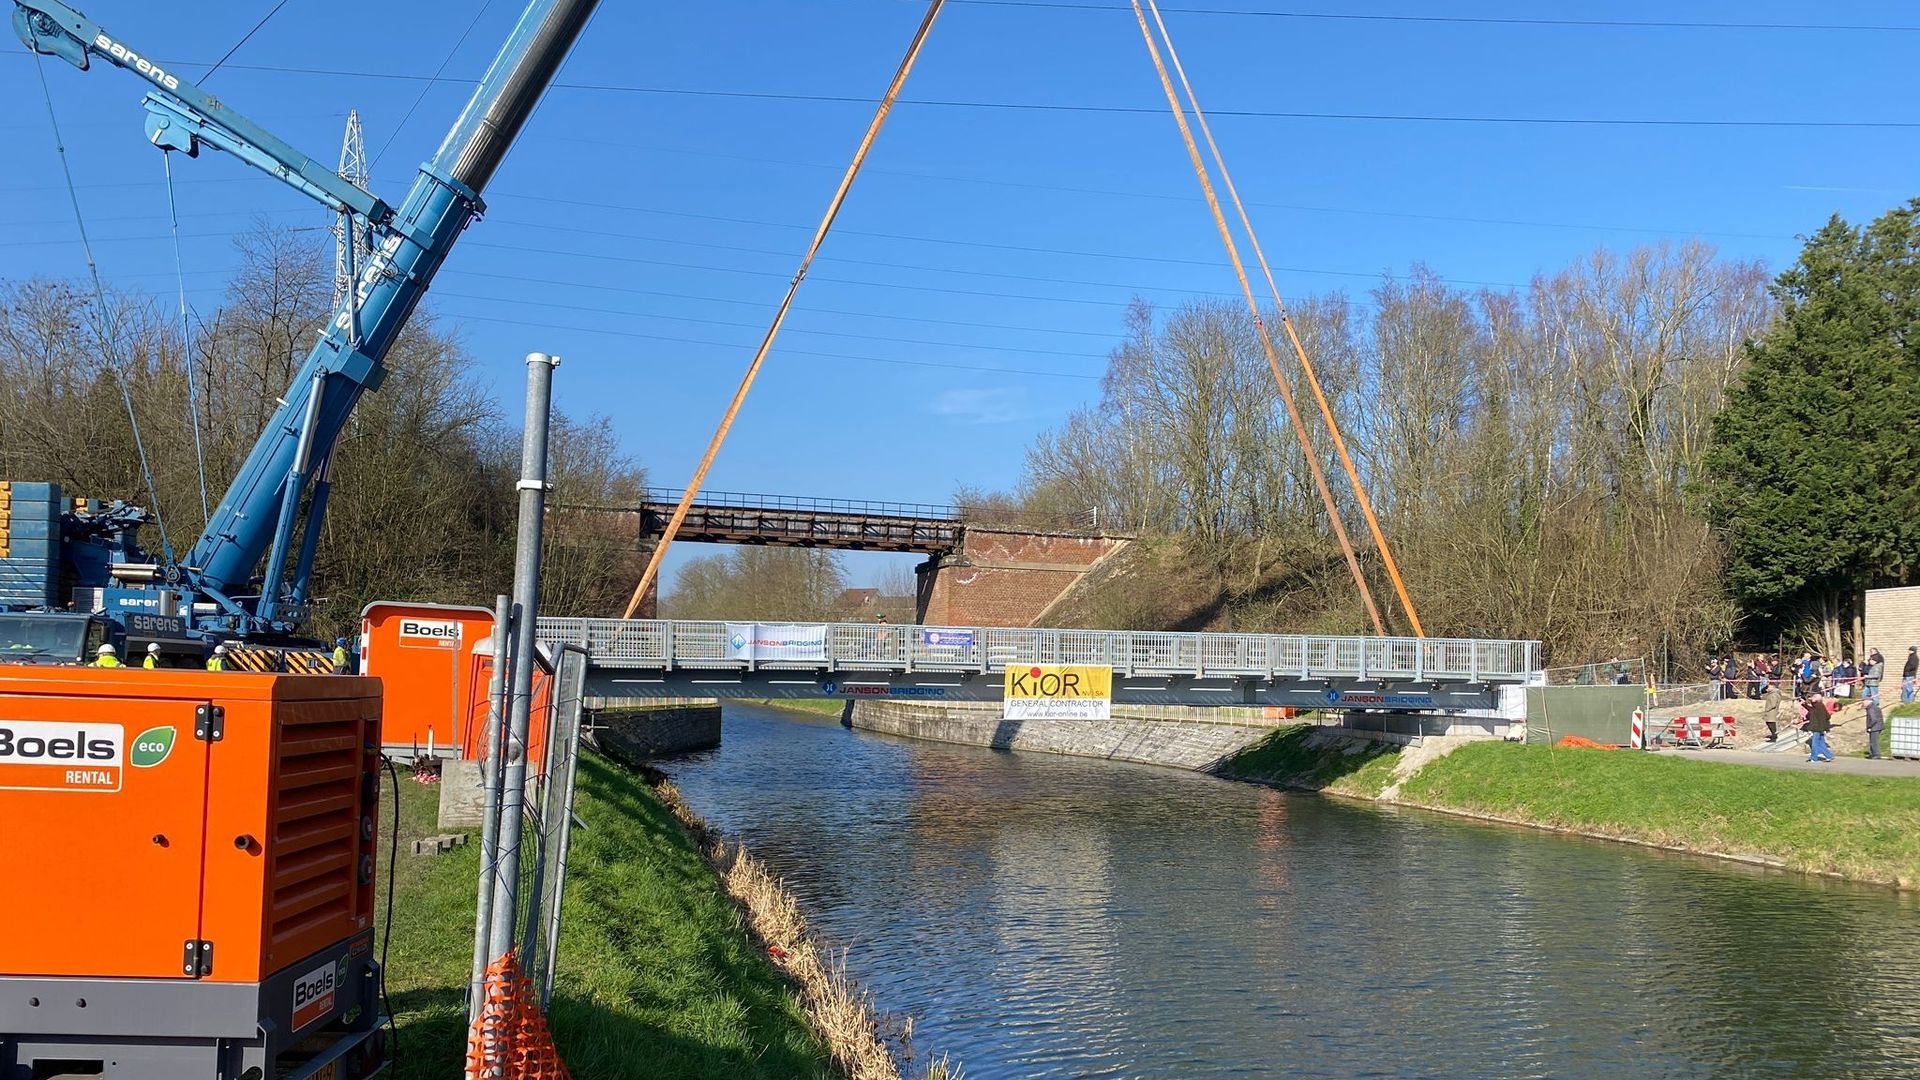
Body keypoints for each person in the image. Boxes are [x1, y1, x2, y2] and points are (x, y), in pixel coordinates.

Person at [1803, 695, 1834, 763]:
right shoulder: (1820, 706)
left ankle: (1814, 758)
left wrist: (1807, 701)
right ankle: (1829, 756)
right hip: (1821, 728)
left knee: (1815, 743)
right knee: (1821, 743)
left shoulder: (1818, 706)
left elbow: (1811, 710)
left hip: (1817, 728)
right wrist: (1804, 704)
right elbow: (1827, 716)